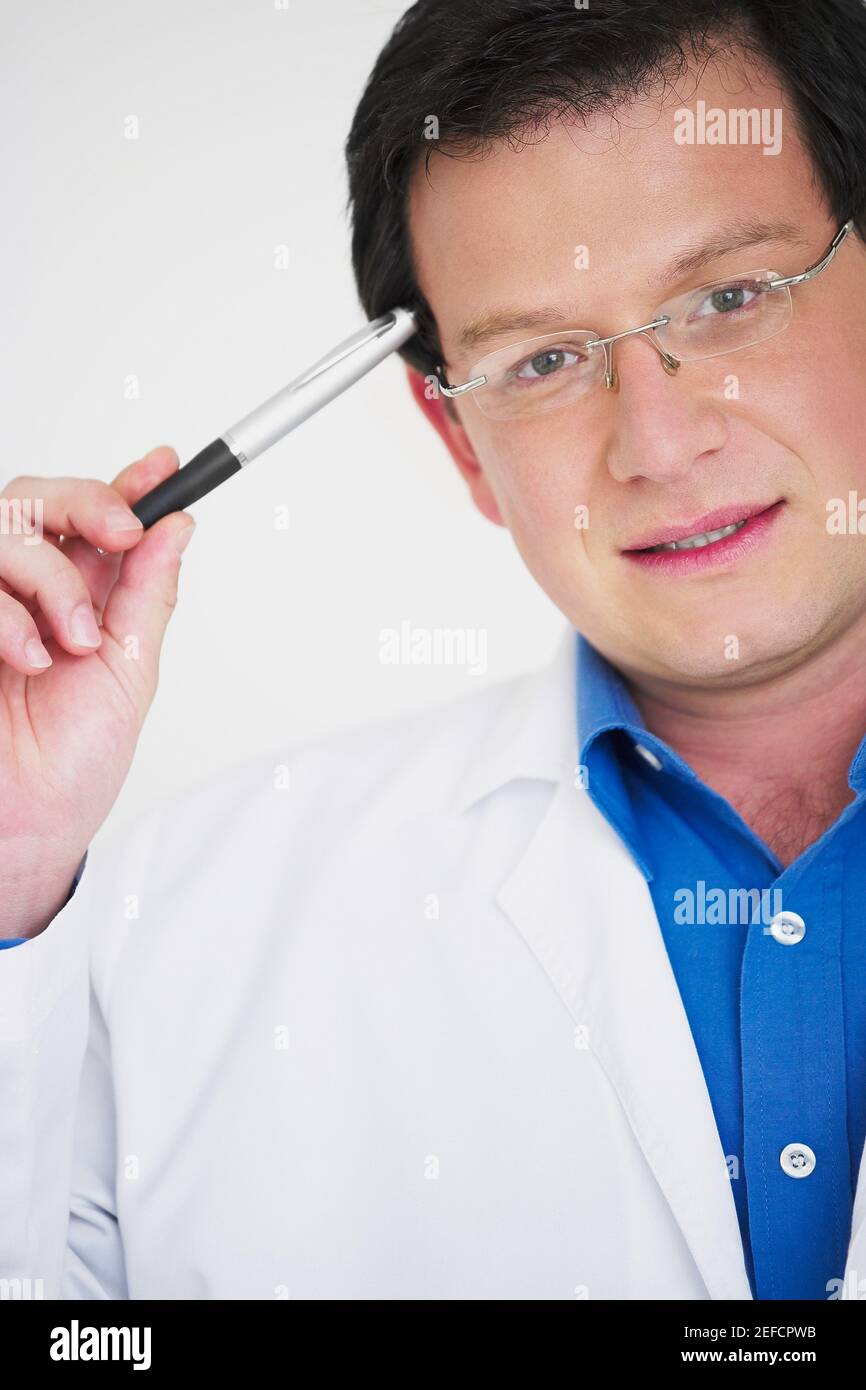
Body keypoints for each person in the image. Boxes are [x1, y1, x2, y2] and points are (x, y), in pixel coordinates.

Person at [3, 0, 866, 1301]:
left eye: (730, 297)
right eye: (544, 360)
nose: (658, 443)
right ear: (457, 437)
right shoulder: (175, 929)